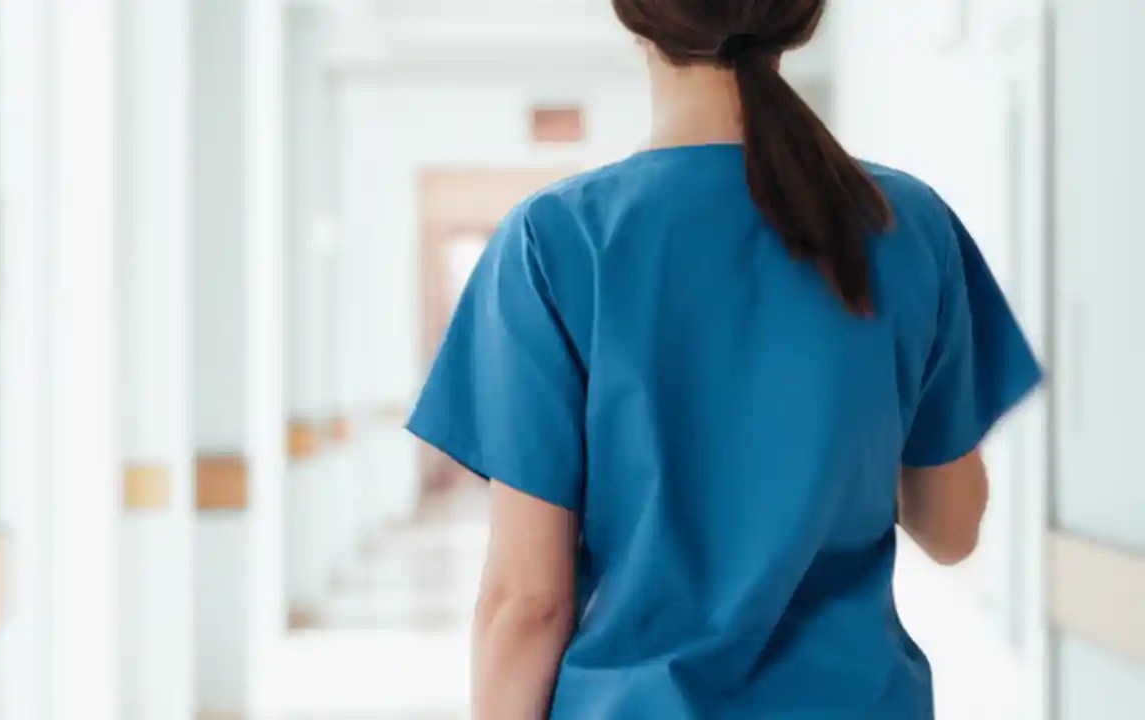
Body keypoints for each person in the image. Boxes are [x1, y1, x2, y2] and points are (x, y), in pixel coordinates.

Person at [406, 1, 1043, 717]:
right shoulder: (906, 223)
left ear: (635, 18)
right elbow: (953, 530)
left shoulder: (555, 242)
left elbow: (527, 603)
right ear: (799, 19)